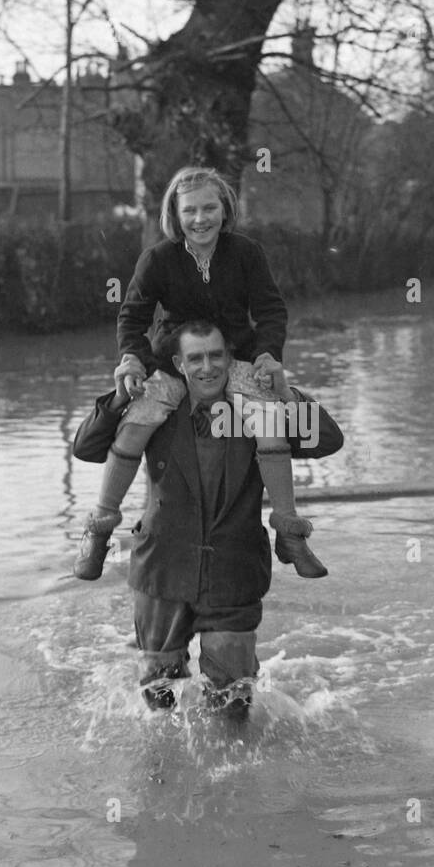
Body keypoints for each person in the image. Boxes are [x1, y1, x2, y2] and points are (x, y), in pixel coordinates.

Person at [72, 320, 344, 716]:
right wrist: (117, 399)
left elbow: (328, 440)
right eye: (195, 358)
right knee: (158, 704)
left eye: (216, 356)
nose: (207, 368)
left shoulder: (256, 409)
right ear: (179, 363)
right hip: (162, 571)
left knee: (231, 706)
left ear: (231, 360)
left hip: (233, 573)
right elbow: (86, 447)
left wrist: (286, 394)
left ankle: (233, 781)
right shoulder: (155, 406)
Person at [74, 166, 327, 582]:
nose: (200, 218)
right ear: (175, 214)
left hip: (234, 358)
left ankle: (289, 532)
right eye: (190, 210)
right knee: (136, 424)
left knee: (269, 423)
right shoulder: (157, 259)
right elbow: (131, 317)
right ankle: (99, 529)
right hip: (173, 361)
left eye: (210, 208)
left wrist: (267, 354)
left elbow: (270, 310)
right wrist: (132, 360)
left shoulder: (247, 253)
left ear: (225, 209)